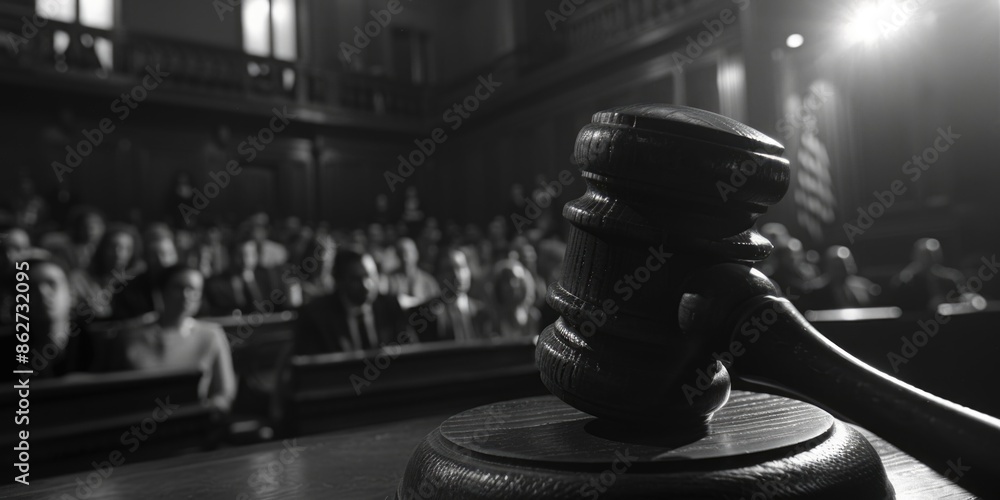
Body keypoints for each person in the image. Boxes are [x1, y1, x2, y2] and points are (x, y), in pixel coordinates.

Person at [119, 265, 236, 413]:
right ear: (161, 292)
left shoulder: (212, 335)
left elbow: (225, 394)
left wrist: (202, 412)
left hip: (191, 424)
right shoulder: (131, 335)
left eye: (194, 290)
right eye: (178, 287)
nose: (186, 295)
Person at [294, 249, 407, 354]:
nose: (366, 285)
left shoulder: (390, 307)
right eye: (356, 279)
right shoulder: (316, 316)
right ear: (340, 280)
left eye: (369, 276)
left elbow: (411, 353)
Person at [68, 224, 144, 320]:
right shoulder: (80, 279)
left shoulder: (137, 281)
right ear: (102, 248)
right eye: (113, 246)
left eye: (126, 249)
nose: (118, 253)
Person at [426, 248, 489, 342]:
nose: (457, 275)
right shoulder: (429, 316)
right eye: (449, 269)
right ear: (438, 275)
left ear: (469, 271)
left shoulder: (482, 312)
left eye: (461, 267)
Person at [891, 238, 970, 311]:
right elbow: (902, 306)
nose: (927, 260)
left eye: (931, 256)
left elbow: (962, 300)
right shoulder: (906, 282)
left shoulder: (951, 278)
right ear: (915, 257)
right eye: (923, 256)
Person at [801, 246, 880, 309]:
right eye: (838, 265)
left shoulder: (865, 287)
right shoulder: (815, 291)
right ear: (828, 266)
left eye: (847, 263)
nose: (844, 268)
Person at [489, 257, 541, 339]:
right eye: (506, 280)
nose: (511, 285)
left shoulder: (534, 317)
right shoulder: (492, 321)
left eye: (515, 280)